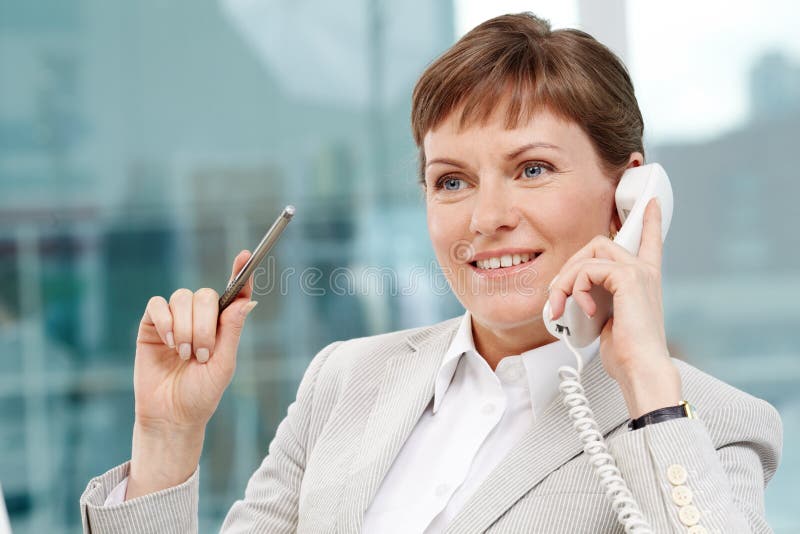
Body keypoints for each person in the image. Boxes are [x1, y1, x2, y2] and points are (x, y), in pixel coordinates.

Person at [79, 12, 781, 533]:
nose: (486, 217)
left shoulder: (708, 424)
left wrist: (646, 383)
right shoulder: (343, 381)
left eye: (532, 169)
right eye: (451, 182)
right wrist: (167, 437)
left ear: (630, 194)